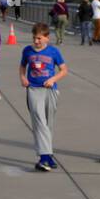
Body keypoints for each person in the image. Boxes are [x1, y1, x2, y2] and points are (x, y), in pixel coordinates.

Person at [19, 22, 67, 171]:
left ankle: (49, 156)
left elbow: (64, 70)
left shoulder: (53, 51)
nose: (36, 41)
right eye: (34, 38)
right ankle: (44, 157)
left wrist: (53, 79)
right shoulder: (27, 51)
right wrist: (22, 78)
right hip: (34, 89)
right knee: (39, 122)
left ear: (47, 38)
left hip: (50, 90)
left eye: (39, 38)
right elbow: (22, 66)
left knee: (48, 124)